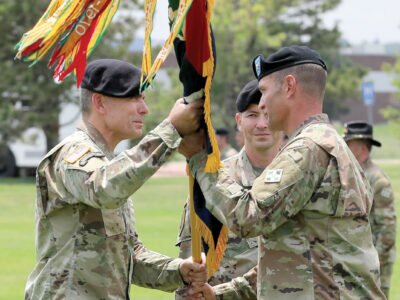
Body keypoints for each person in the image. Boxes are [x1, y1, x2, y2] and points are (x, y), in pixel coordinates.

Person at [179, 46, 385, 299]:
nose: (262, 103)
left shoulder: (308, 149)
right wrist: (221, 295)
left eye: (264, 91)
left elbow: (247, 217)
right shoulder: (327, 142)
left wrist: (201, 157)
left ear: (289, 86)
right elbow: (290, 257)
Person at [25, 59, 207, 299]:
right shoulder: (71, 154)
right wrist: (171, 130)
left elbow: (128, 256)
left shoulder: (108, 164)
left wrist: (179, 271)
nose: (144, 109)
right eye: (133, 98)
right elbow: (103, 189)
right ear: (99, 102)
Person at [176, 80, 284, 299]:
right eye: (252, 115)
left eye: (267, 114)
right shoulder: (213, 180)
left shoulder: (300, 177)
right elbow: (189, 262)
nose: (261, 124)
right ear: (239, 121)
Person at [344, 121, 397, 298]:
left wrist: (373, 265)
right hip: (357, 261)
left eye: (349, 145)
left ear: (363, 148)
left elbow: (387, 231)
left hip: (374, 264)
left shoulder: (377, 181)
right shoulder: (355, 176)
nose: (344, 149)